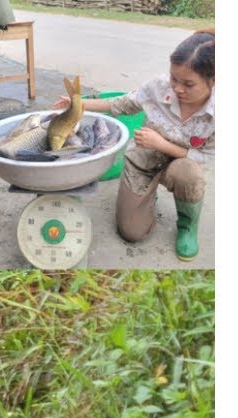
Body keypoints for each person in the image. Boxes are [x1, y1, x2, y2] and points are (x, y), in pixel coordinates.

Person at [53, 28, 214, 261]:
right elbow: (121, 104)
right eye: (174, 78)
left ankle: (188, 226)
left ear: (213, 80)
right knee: (131, 233)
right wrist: (77, 103)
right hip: (144, 159)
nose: (178, 88)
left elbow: (208, 157)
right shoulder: (158, 87)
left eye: (188, 84)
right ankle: (147, 197)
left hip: (182, 163)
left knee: (189, 175)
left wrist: (161, 144)